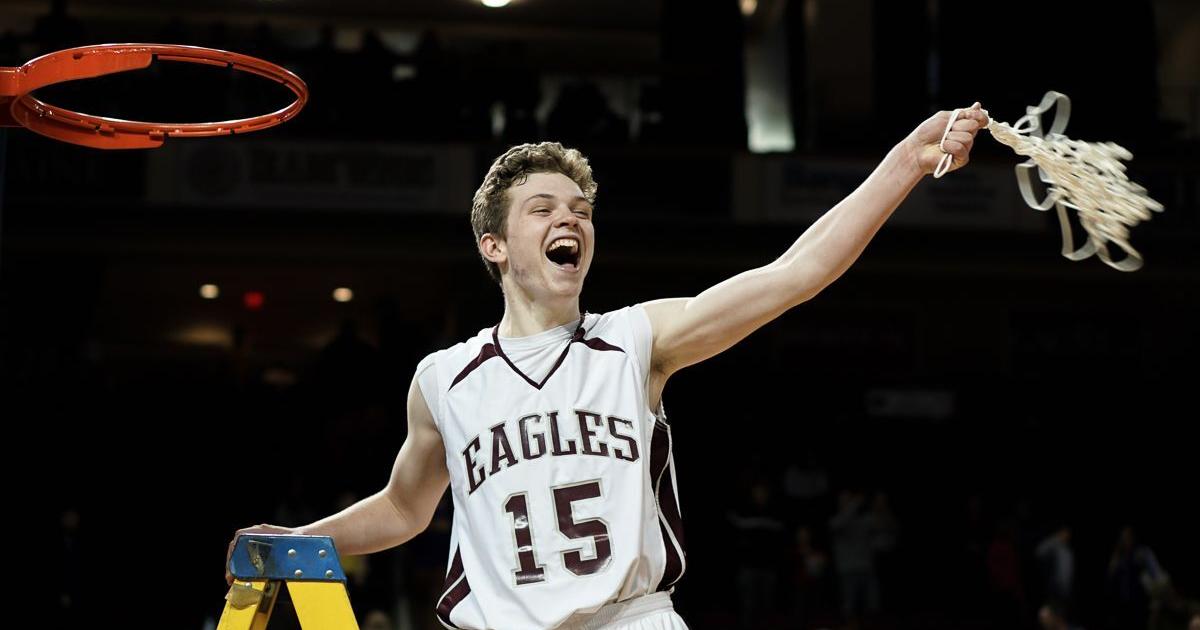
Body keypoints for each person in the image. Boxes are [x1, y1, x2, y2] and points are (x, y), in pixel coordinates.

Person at [226, 103, 989, 629]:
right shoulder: (442, 379)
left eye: (581, 211)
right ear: (494, 246)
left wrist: (902, 164)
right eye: (544, 208)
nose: (570, 220)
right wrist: (298, 535)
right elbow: (404, 508)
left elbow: (793, 274)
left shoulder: (636, 340)